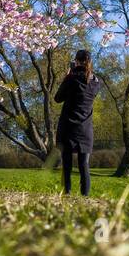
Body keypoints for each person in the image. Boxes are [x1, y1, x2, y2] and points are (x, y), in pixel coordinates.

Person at [53, 49, 102, 196]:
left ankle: (66, 194)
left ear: (76, 61)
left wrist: (67, 76)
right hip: (85, 128)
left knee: (66, 165)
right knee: (84, 165)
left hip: (68, 127)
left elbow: (57, 98)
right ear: (90, 62)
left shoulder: (71, 79)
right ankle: (85, 198)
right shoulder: (96, 82)